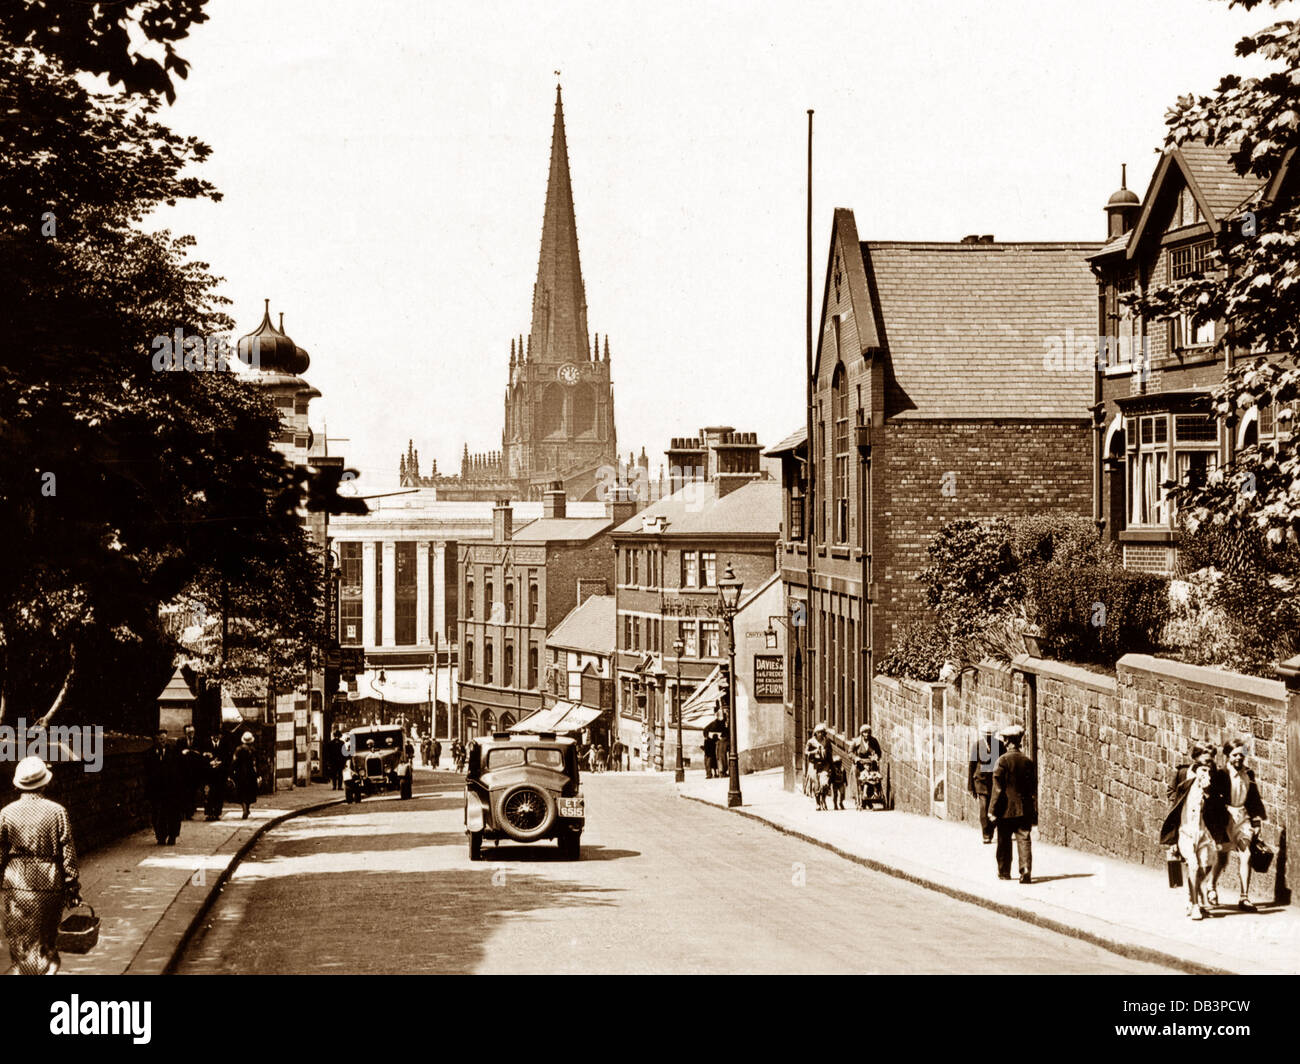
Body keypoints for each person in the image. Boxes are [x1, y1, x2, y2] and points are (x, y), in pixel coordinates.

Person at [0, 757, 81, 975]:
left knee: (20, 942)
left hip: (15, 883)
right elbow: (67, 851)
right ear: (44, 783)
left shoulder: (6, 813)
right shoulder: (57, 812)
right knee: (47, 941)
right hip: (49, 882)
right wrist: (72, 885)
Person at [1161, 743, 1228, 920]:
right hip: (1186, 829)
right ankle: (1196, 905)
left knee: (1205, 866)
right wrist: (1181, 798)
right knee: (1193, 864)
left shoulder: (1213, 777)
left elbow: (1217, 805)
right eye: (1206, 758)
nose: (1210, 762)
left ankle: (1191, 897)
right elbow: (1171, 793)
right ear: (1196, 758)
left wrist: (1208, 792)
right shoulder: (1184, 773)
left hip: (1203, 830)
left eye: (1212, 759)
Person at [1210, 739, 1267, 911]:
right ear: (1227, 756)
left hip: (1242, 819)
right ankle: (1211, 886)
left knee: (1246, 853)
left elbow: (1254, 798)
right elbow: (1213, 800)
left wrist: (1256, 819)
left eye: (1241, 755)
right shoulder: (1221, 775)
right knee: (1221, 858)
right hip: (1225, 819)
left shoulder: (1248, 774)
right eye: (1234, 755)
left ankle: (1244, 897)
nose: (1238, 759)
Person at [988, 724, 1036, 883]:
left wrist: (992, 810)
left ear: (1008, 742)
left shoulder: (1002, 761)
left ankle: (1004, 871)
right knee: (1024, 838)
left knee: (1004, 840)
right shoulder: (1028, 762)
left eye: (1005, 740)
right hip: (1024, 808)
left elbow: (998, 789)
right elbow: (1032, 788)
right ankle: (1026, 870)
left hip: (1005, 809)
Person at [967, 721, 1005, 844]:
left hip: (995, 783)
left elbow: (1004, 763)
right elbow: (971, 766)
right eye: (986, 735)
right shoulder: (977, 746)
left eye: (990, 735)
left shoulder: (1000, 746)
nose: (988, 737)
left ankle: (992, 829)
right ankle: (986, 834)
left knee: (993, 808)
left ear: (994, 735)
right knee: (983, 808)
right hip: (981, 782)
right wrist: (971, 786)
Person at [145, 728, 183, 845]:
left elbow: (179, 770)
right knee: (157, 813)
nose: (163, 742)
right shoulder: (149, 754)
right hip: (157, 789)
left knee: (173, 813)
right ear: (155, 740)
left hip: (172, 789)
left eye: (164, 739)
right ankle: (160, 836)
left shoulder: (174, 751)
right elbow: (147, 773)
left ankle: (172, 836)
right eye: (160, 739)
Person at [176, 724, 203, 820]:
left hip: (194, 771)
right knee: (183, 791)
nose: (191, 734)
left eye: (192, 732)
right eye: (189, 732)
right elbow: (176, 755)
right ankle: (184, 812)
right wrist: (182, 752)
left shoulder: (198, 741)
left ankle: (190, 813)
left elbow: (201, 754)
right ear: (185, 733)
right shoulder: (180, 741)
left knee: (192, 791)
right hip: (184, 771)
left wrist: (195, 753)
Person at [804, 723, 833, 811]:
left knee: (824, 783)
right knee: (816, 785)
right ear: (815, 733)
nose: (820, 734)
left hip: (824, 764)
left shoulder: (827, 741)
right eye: (818, 732)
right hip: (814, 765)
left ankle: (823, 800)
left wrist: (831, 765)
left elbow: (830, 753)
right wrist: (814, 752)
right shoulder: (811, 742)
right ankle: (817, 803)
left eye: (822, 732)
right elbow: (806, 752)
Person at [231, 732, 260, 820]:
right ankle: (247, 808)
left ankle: (244, 810)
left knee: (242, 792)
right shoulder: (253, 750)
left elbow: (234, 761)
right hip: (251, 774)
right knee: (250, 792)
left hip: (241, 774)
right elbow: (256, 763)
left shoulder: (238, 749)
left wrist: (232, 771)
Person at [201, 730, 227, 820]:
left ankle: (217, 813)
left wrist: (221, 763)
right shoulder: (206, 743)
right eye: (214, 736)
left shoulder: (224, 744)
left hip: (220, 773)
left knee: (219, 793)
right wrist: (209, 762)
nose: (216, 737)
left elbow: (227, 756)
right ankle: (209, 813)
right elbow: (202, 756)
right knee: (208, 793)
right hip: (209, 773)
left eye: (217, 736)